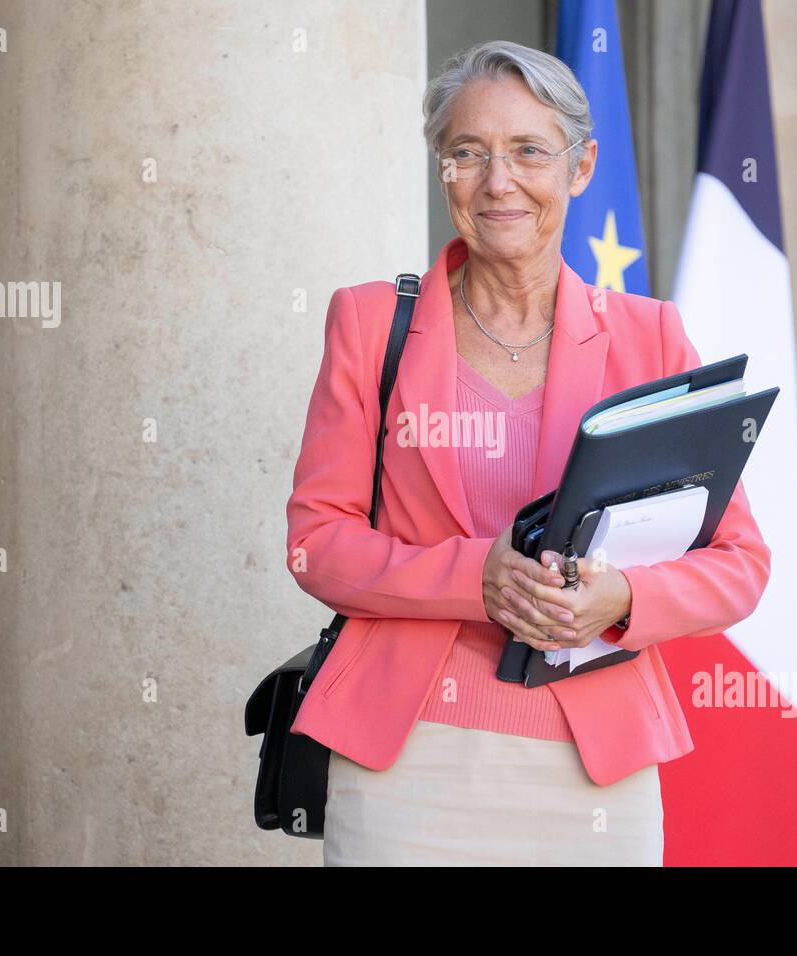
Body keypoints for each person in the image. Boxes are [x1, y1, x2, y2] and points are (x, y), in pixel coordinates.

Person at [284, 39, 771, 865]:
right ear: (442, 172)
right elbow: (316, 546)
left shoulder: (651, 336)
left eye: (528, 152)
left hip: (592, 771)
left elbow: (740, 563)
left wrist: (619, 597)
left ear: (581, 168)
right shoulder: (371, 325)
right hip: (406, 763)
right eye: (467, 153)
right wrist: (474, 575)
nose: (497, 182)